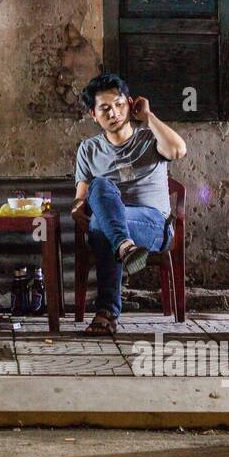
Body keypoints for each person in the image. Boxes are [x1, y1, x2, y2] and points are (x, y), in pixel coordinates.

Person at [71, 72, 186, 337]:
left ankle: (107, 313)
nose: (114, 113)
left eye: (120, 104)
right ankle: (124, 246)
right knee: (100, 188)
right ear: (93, 115)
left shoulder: (149, 139)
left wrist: (148, 116)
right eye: (105, 108)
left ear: (130, 103)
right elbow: (82, 194)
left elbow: (178, 150)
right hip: (120, 231)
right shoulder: (88, 149)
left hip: (154, 225)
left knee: (102, 226)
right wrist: (76, 208)